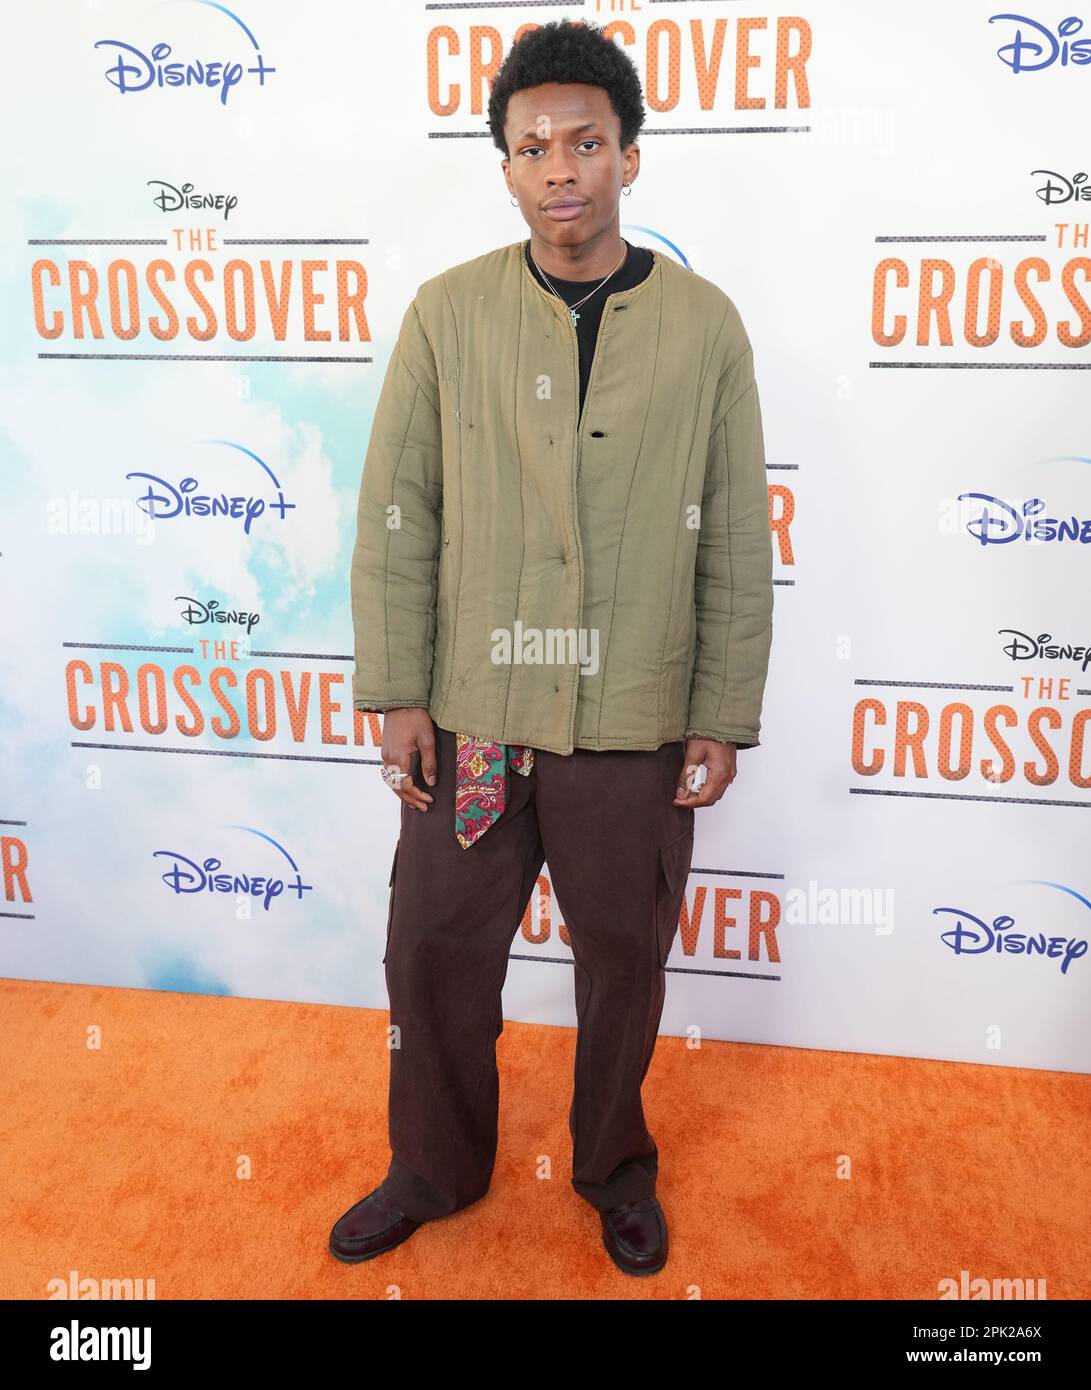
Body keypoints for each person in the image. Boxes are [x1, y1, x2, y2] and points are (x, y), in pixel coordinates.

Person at [329, 18, 774, 1277]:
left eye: (587, 140)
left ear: (630, 156)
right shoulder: (446, 315)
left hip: (631, 716)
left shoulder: (703, 329)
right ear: (505, 168)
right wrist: (399, 692)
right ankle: (433, 1164)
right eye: (533, 146)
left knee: (623, 955)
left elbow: (734, 536)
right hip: (476, 716)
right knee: (431, 946)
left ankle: (611, 1165)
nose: (561, 166)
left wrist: (718, 710)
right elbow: (397, 514)